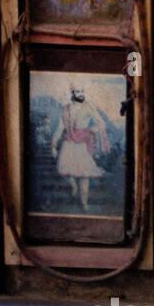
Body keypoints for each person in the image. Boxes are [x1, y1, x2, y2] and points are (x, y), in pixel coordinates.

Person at [50, 84, 112, 212]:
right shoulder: (66, 109)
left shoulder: (89, 107)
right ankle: (73, 186)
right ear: (72, 93)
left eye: (82, 91)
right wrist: (54, 146)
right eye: (78, 92)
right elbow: (60, 128)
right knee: (66, 173)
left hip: (82, 145)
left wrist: (90, 130)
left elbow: (101, 123)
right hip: (68, 144)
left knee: (84, 176)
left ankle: (84, 202)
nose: (81, 94)